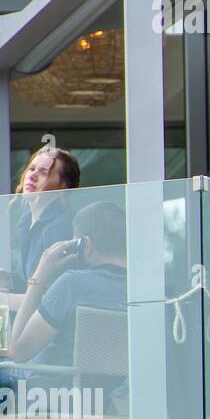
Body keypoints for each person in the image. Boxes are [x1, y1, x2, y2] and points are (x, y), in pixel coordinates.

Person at [3, 202, 127, 400]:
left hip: (47, 401)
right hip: (102, 404)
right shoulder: (146, 293)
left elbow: (17, 352)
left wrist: (40, 274)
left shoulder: (72, 285)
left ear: (84, 245)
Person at [5, 146, 81, 310]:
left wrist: (4, 300)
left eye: (43, 172)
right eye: (31, 169)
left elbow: (50, 299)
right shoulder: (26, 221)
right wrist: (8, 279)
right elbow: (30, 279)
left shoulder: (61, 226)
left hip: (51, 330)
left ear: (63, 186)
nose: (32, 176)